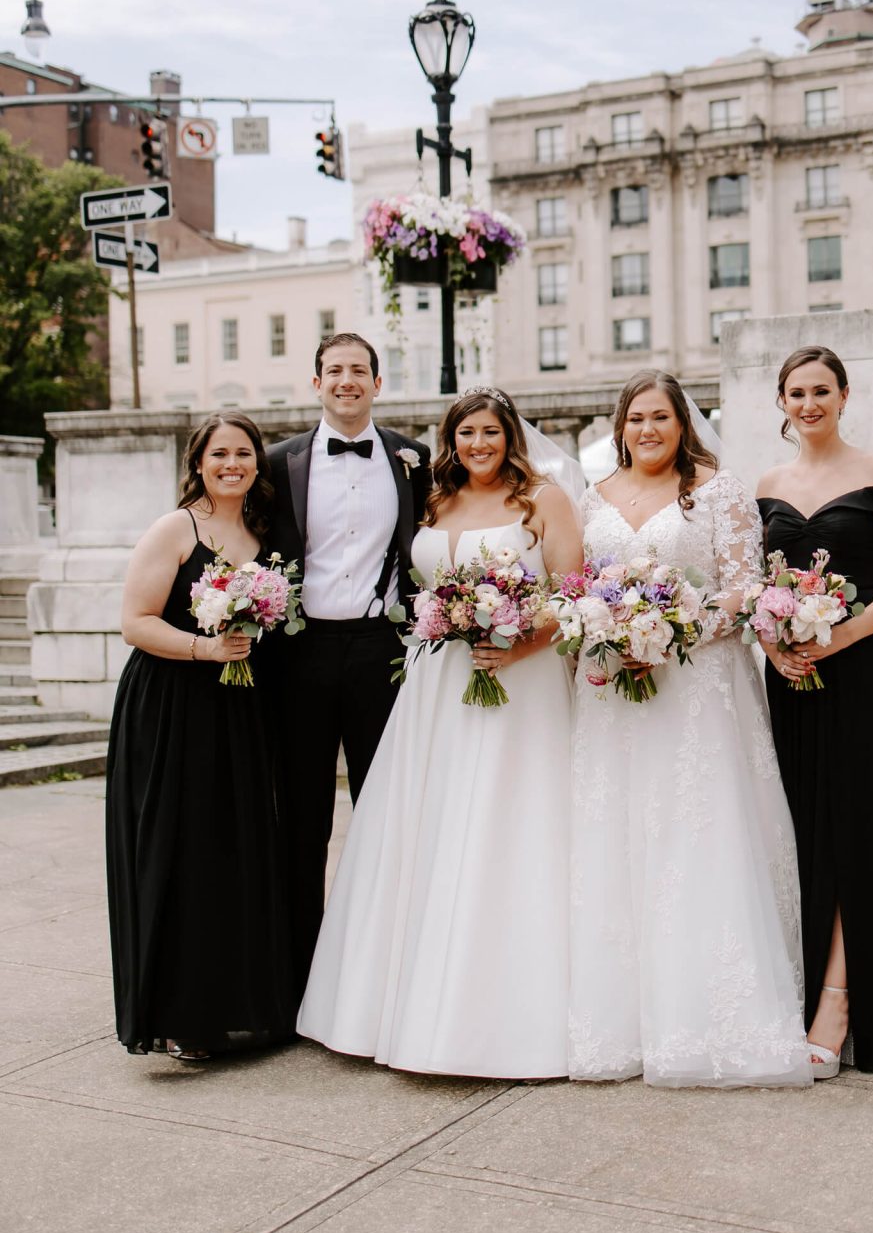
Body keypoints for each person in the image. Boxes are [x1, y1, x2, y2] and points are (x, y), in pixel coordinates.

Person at [297, 387, 584, 1078]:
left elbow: (574, 591)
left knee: (507, 829)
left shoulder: (543, 499)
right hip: (434, 687)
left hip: (523, 683)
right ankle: (395, 1004)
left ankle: (502, 1015)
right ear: (449, 440)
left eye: (489, 432)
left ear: (509, 435)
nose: (477, 445)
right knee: (427, 828)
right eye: (465, 434)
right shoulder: (431, 499)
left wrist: (516, 643)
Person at [569, 371, 810, 1089]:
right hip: (615, 694)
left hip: (697, 686)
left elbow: (743, 586)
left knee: (695, 834)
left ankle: (707, 1014)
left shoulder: (720, 490)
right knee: (620, 838)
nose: (647, 429)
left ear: (683, 425)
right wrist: (610, 634)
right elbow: (581, 586)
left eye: (661, 418)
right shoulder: (595, 496)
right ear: (619, 426)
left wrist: (670, 632)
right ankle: (625, 1011)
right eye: (636, 418)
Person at [756, 345, 873, 1076]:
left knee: (861, 828)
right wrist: (774, 647)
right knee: (807, 828)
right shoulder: (768, 484)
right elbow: (757, 585)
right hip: (793, 676)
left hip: (864, 671)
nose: (809, 404)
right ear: (781, 402)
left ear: (844, 396)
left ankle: (839, 1000)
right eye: (796, 392)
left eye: (821, 391)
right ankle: (809, 985)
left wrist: (842, 635)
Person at [105, 413, 293, 1061]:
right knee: (179, 851)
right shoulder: (176, 528)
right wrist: (203, 648)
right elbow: (134, 621)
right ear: (199, 461)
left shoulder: (259, 533)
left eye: (244, 453)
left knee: (233, 850)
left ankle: (240, 1004)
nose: (233, 463)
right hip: (171, 707)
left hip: (236, 712)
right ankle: (183, 1014)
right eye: (220, 454)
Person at [267, 332, 430, 1003]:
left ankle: (375, 972)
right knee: (301, 816)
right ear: (316, 384)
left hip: (381, 654)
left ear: (377, 383)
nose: (346, 382)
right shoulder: (280, 464)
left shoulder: (411, 459)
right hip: (300, 654)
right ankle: (300, 970)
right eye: (334, 371)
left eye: (358, 371)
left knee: (383, 809)